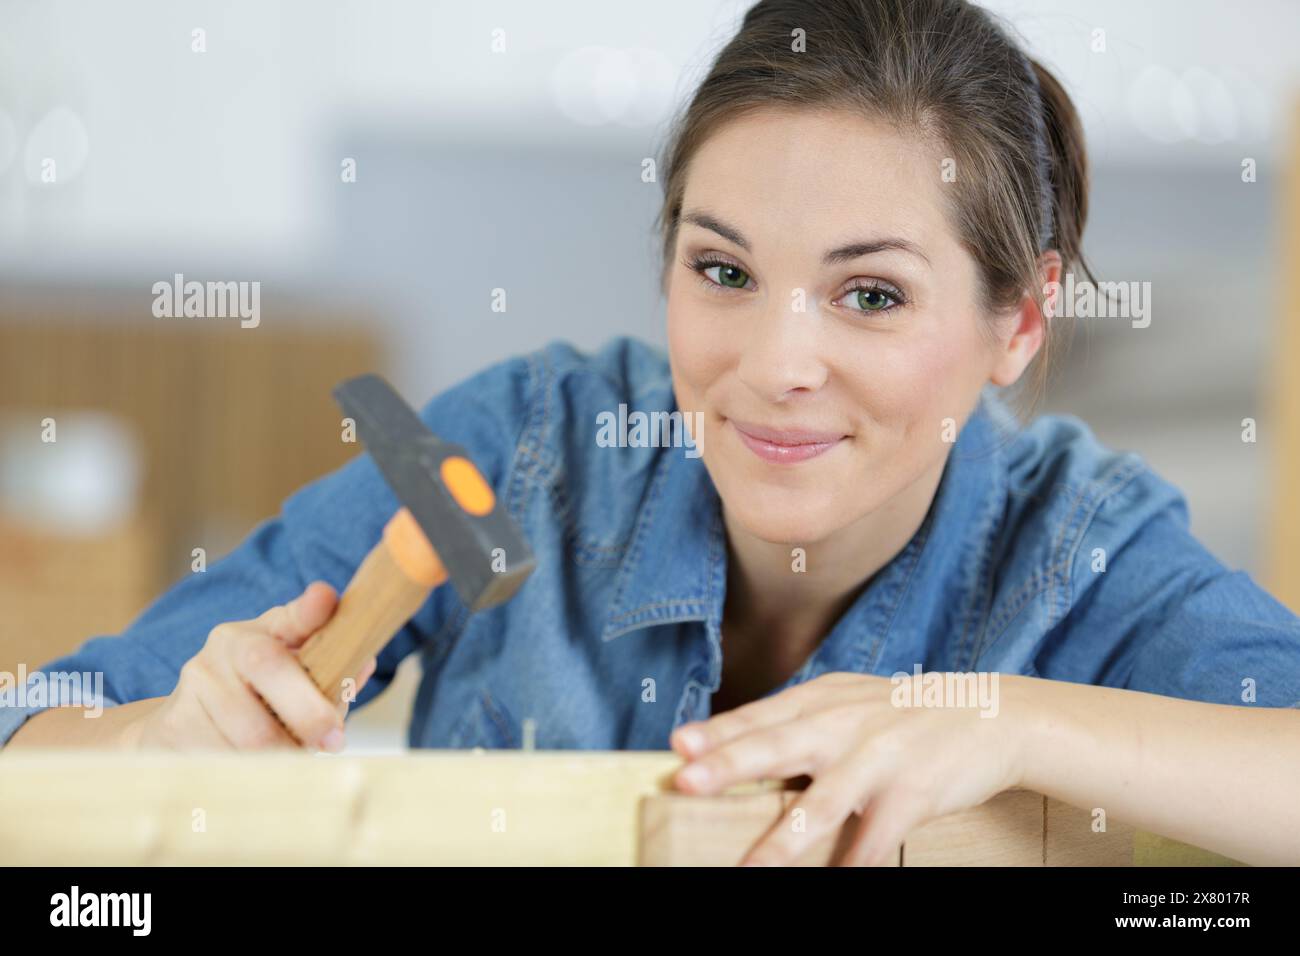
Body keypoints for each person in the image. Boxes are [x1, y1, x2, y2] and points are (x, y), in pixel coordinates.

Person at [5, 0, 1299, 866]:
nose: (774, 369)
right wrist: (153, 738)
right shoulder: (518, 448)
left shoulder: (1078, 541)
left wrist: (1012, 722)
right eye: (724, 273)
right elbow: (32, 730)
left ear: (1022, 322)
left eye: (872, 296)